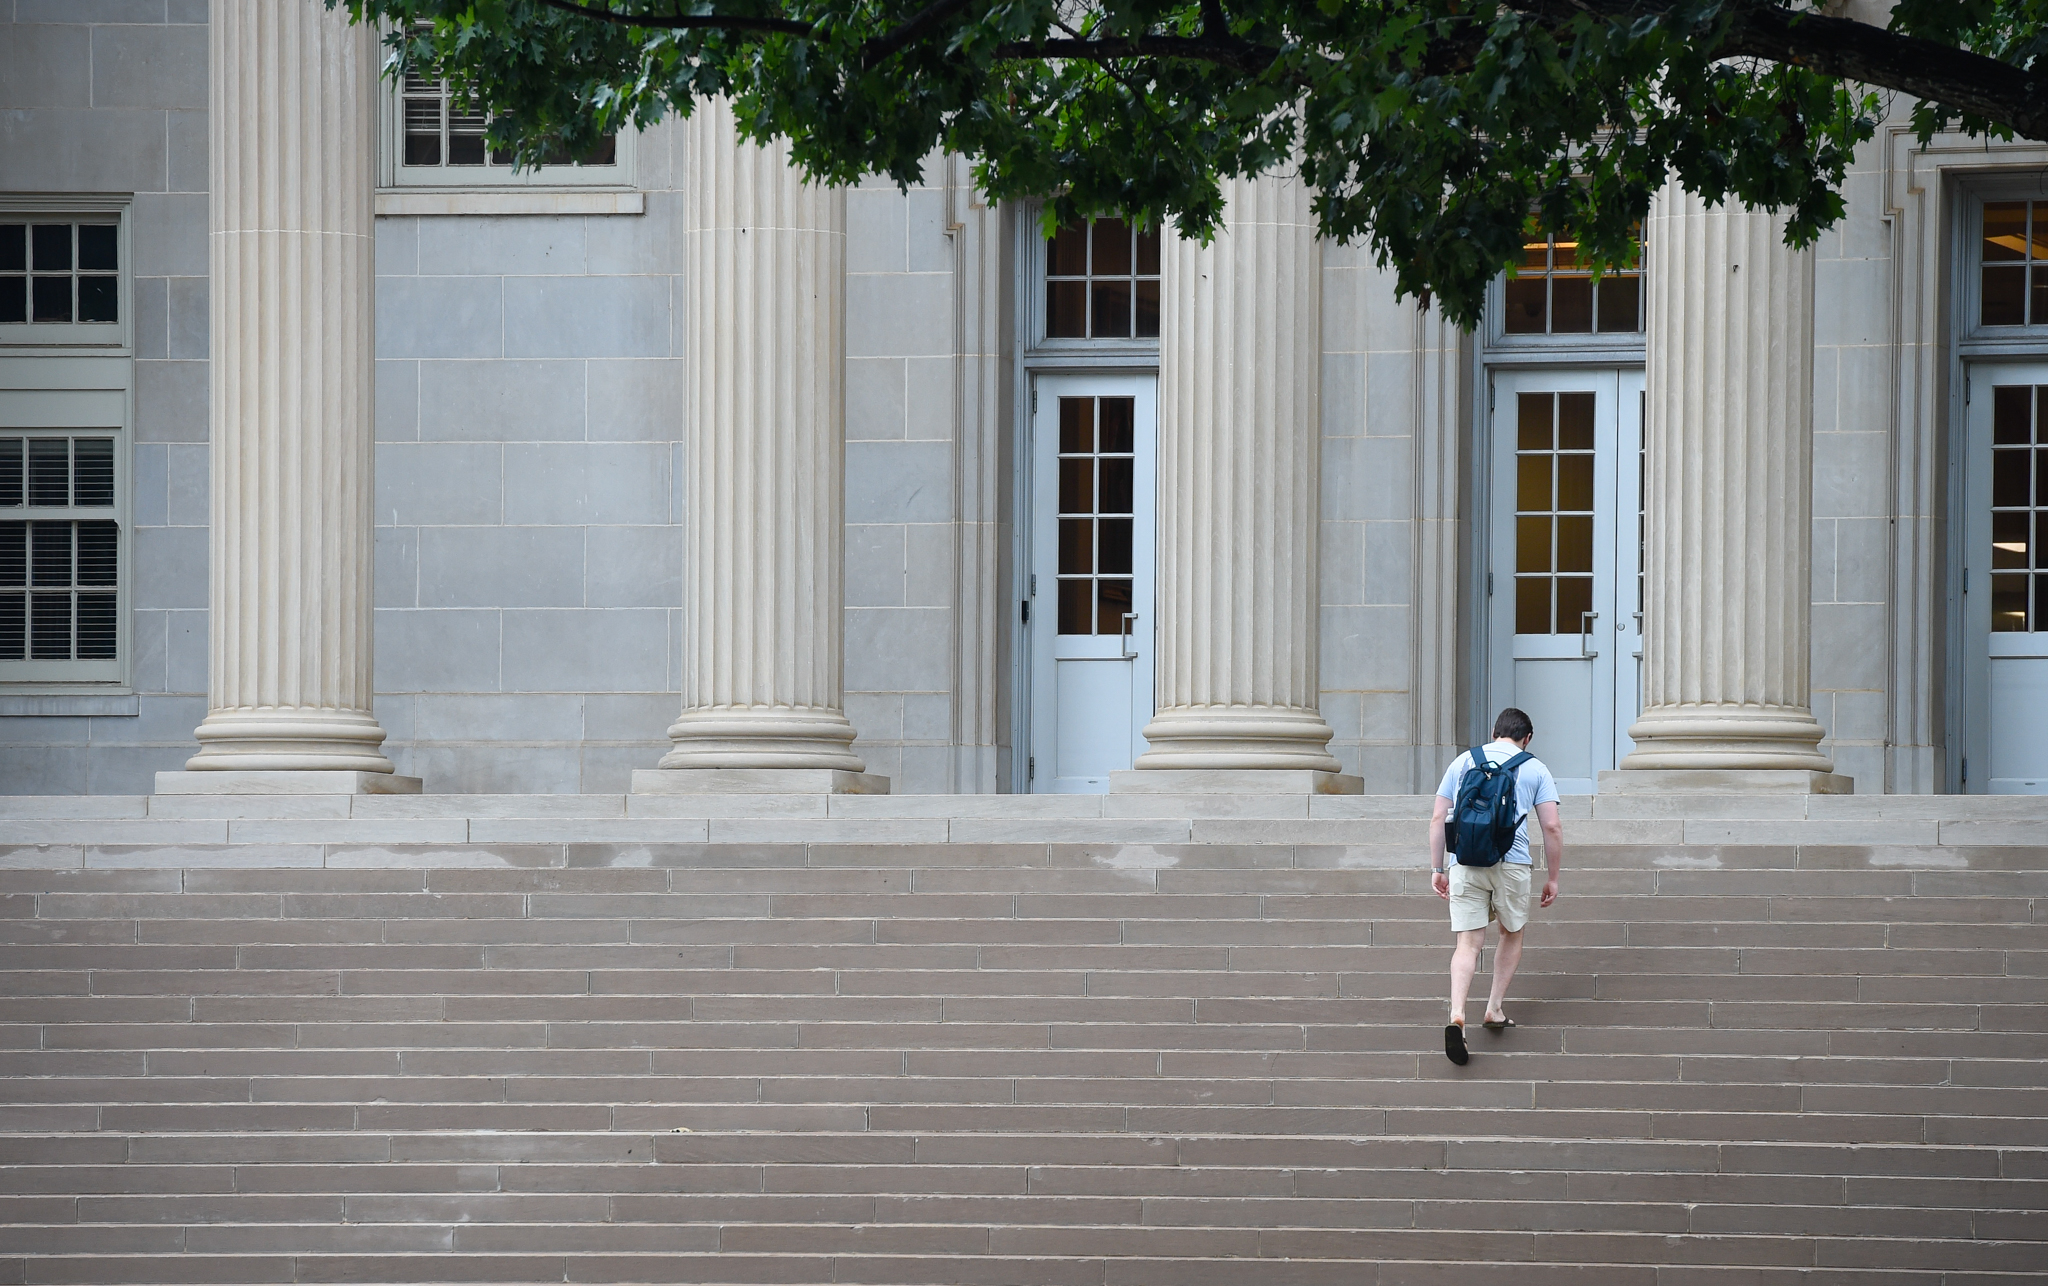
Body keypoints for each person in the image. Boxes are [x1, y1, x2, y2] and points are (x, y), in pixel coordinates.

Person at [1428, 707, 1563, 1066]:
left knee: (1468, 943)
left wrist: (1437, 868)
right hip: (1513, 863)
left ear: (1494, 732)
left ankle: (1457, 1014)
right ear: (1527, 738)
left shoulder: (1462, 763)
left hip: (1466, 861)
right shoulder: (1535, 767)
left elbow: (1439, 817)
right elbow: (1551, 826)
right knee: (1511, 933)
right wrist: (1553, 876)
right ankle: (1494, 1008)